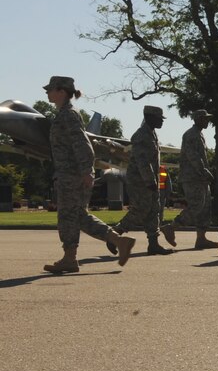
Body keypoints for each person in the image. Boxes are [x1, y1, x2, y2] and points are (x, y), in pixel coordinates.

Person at [40, 76, 135, 273]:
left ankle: (70, 258)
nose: (47, 92)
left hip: (72, 175)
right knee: (78, 217)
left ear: (62, 92)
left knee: (68, 216)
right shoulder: (65, 114)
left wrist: (86, 171)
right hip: (70, 174)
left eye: (50, 89)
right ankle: (118, 242)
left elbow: (84, 146)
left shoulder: (68, 115)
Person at [115, 105, 173, 255]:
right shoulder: (141, 136)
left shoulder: (151, 134)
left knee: (153, 211)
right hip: (140, 181)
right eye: (159, 119)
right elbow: (143, 162)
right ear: (149, 117)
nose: (162, 121)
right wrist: (149, 181)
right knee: (141, 210)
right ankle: (114, 235)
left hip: (150, 180)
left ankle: (153, 244)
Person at [161, 110, 217, 249]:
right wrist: (204, 171)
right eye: (205, 119)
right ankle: (171, 227)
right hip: (192, 177)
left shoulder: (199, 134)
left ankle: (201, 238)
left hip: (200, 178)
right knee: (196, 206)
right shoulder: (190, 135)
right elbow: (193, 157)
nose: (207, 121)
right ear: (198, 119)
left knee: (205, 208)